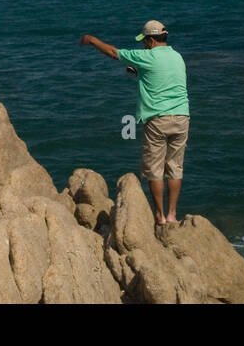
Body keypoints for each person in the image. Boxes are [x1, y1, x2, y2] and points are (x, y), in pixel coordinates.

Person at [79, 20, 190, 225]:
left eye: (144, 41)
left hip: (158, 119)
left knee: (154, 169)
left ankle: (160, 216)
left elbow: (113, 52)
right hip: (182, 117)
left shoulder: (146, 56)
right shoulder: (177, 57)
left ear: (150, 39)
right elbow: (162, 79)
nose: (143, 45)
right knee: (175, 167)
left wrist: (92, 40)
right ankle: (173, 214)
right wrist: (138, 75)